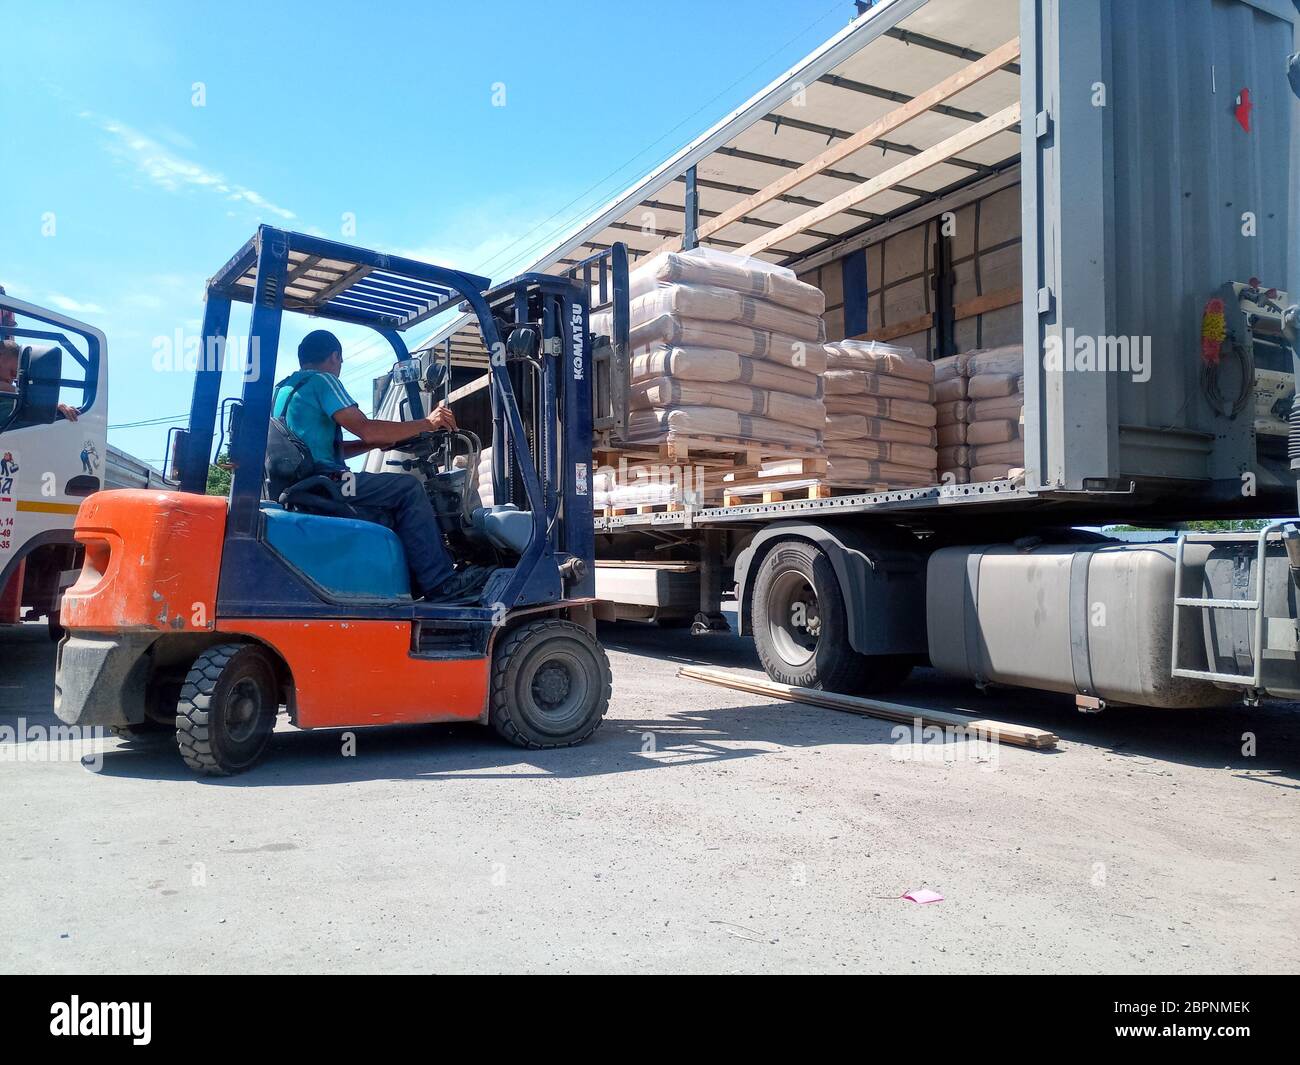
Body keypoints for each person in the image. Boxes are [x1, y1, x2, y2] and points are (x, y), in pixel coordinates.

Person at [272, 329, 487, 602]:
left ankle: (412, 581)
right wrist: (428, 423)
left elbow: (332, 448)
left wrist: (374, 444)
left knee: (391, 499)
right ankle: (440, 582)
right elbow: (368, 429)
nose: (339, 367)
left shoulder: (286, 389)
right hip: (331, 483)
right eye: (340, 361)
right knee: (408, 489)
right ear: (335, 356)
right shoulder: (323, 380)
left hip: (308, 483)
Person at [0, 339, 81, 420]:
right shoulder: (14, 394)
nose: (11, 379)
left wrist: (55, 409)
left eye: (15, 377)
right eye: (12, 372)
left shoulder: (13, 399)